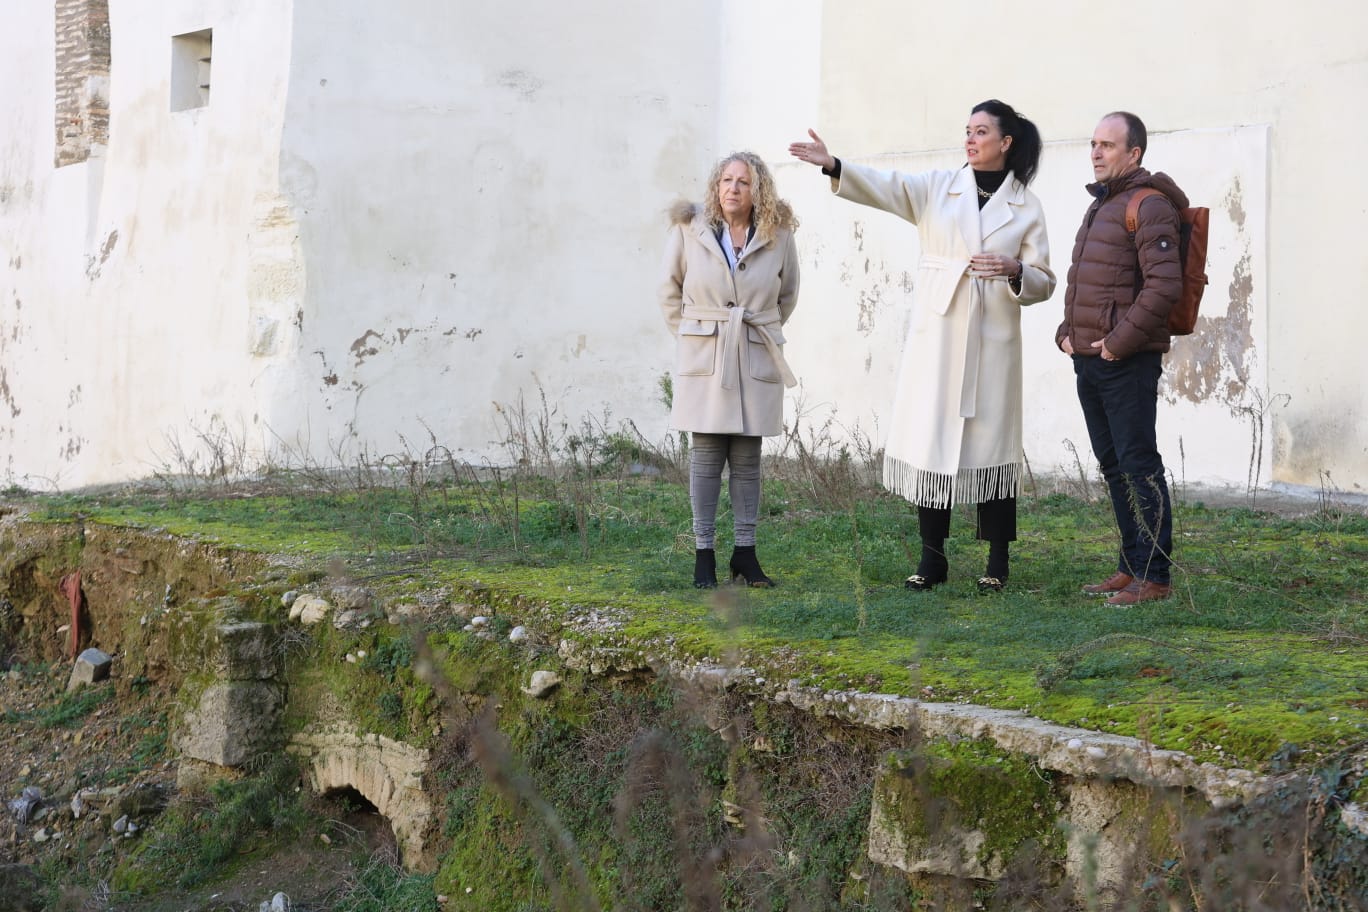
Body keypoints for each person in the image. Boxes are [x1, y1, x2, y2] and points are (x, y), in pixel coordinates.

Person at [789, 100, 1055, 592]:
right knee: (934, 444)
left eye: (980, 132)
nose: (970, 140)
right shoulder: (938, 187)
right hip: (940, 339)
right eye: (967, 131)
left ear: (1006, 142)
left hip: (994, 340)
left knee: (993, 450)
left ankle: (997, 562)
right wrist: (834, 164)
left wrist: (1015, 270)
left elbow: (1043, 281)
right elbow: (888, 186)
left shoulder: (1026, 205)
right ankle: (932, 559)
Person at [1056, 111, 1184, 606]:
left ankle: (1154, 576)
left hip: (1124, 362)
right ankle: (1131, 565)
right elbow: (1082, 283)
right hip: (1088, 359)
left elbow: (1164, 286)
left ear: (1134, 154)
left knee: (1138, 465)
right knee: (1114, 467)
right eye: (1093, 143)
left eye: (1107, 145)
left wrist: (1116, 344)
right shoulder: (1102, 206)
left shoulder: (1149, 205)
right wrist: (1067, 333)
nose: (1095, 152)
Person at [659, 151, 800, 589]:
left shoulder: (778, 235)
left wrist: (757, 331)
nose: (733, 189)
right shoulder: (690, 229)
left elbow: (788, 294)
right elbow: (669, 291)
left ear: (759, 190)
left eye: (743, 182)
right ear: (715, 187)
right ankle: (704, 555)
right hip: (706, 355)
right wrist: (695, 336)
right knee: (704, 456)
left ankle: (745, 554)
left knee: (746, 459)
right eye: (726, 180)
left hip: (754, 350)